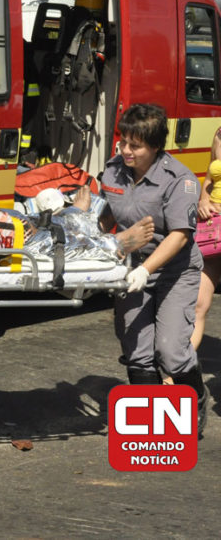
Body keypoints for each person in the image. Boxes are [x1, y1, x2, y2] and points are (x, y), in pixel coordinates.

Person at [95, 103, 207, 432]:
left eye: (135, 145)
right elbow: (107, 217)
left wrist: (146, 270)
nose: (126, 151)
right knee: (137, 352)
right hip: (131, 267)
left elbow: (180, 237)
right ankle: (156, 424)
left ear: (155, 147)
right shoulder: (114, 170)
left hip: (174, 271)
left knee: (171, 352)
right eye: (123, 142)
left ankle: (192, 403)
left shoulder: (180, 180)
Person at [193, 125, 221, 349]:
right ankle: (176, 376)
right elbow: (211, 176)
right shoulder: (220, 132)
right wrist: (203, 200)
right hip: (214, 229)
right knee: (197, 305)